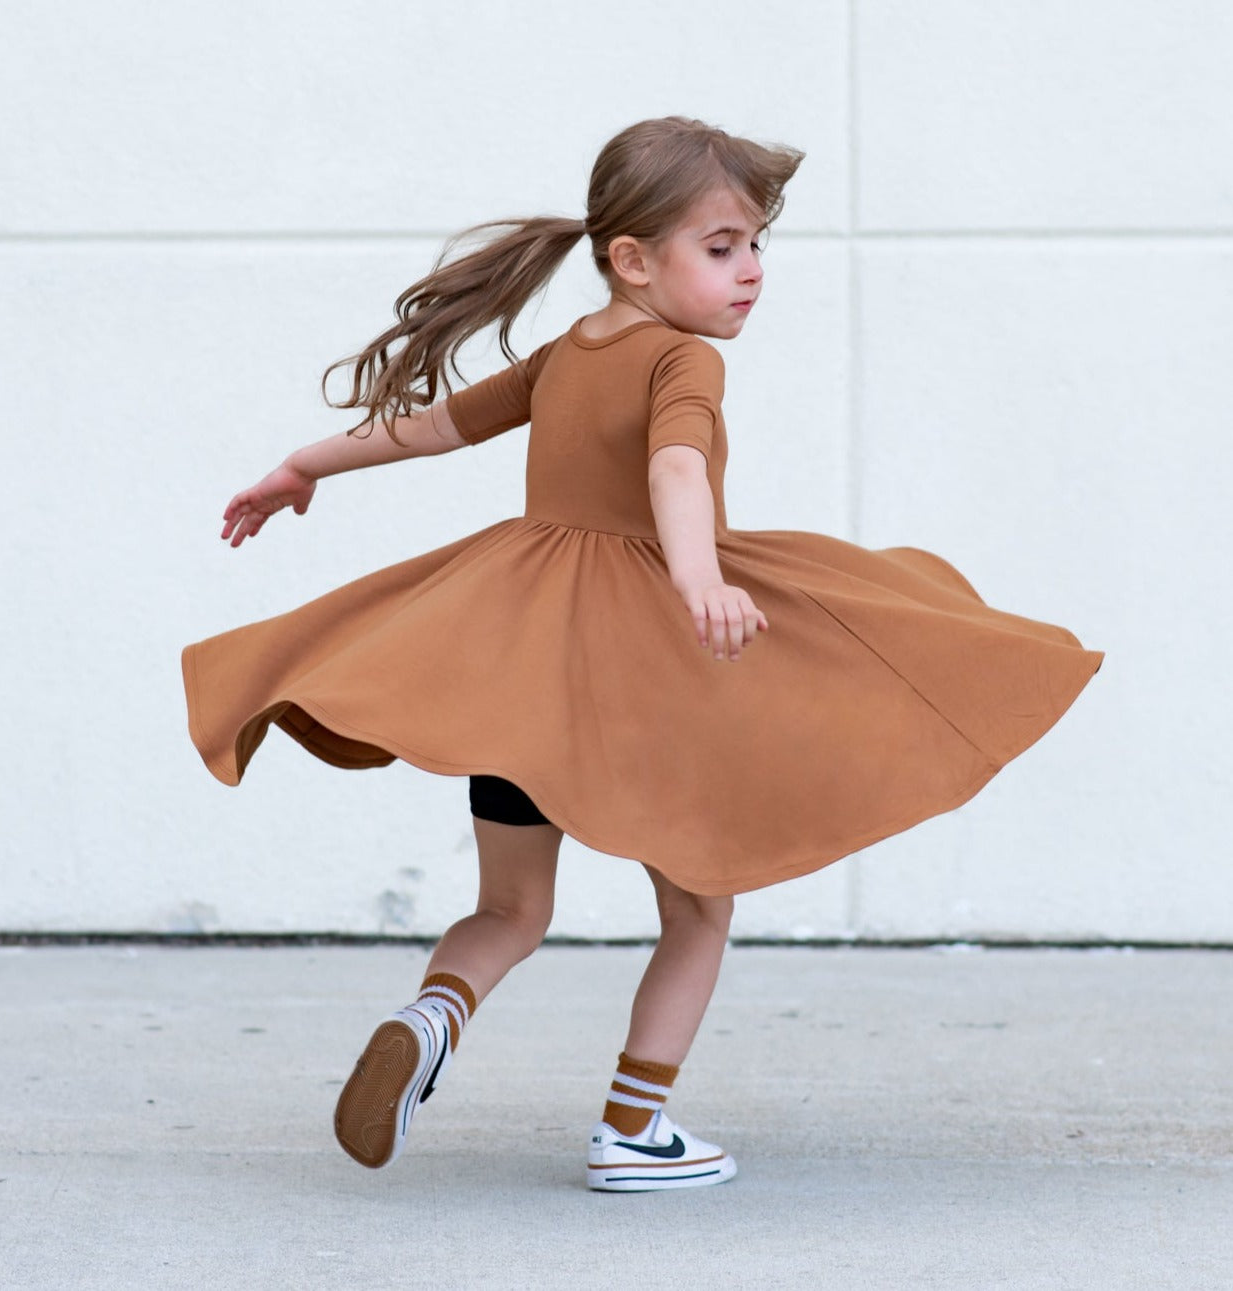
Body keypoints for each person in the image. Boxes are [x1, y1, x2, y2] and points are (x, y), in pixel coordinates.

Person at [182, 117, 1102, 1192]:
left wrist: (305, 464)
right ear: (633, 259)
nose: (752, 271)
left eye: (758, 245)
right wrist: (699, 577)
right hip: (642, 678)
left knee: (510, 911)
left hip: (520, 676)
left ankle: (429, 1017)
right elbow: (674, 471)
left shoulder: (569, 352)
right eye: (722, 248)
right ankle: (632, 1129)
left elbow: (431, 427)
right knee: (698, 908)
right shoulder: (682, 360)